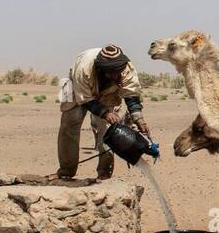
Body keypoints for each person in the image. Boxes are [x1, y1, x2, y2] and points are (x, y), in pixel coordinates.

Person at [56, 44, 155, 179]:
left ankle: (104, 172)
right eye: (110, 73)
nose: (114, 76)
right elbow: (84, 99)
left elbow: (131, 95)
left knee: (108, 131)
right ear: (100, 68)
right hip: (77, 88)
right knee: (70, 123)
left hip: (108, 92)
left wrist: (139, 119)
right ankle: (66, 171)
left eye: (117, 73)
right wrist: (105, 113)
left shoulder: (126, 68)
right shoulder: (84, 68)